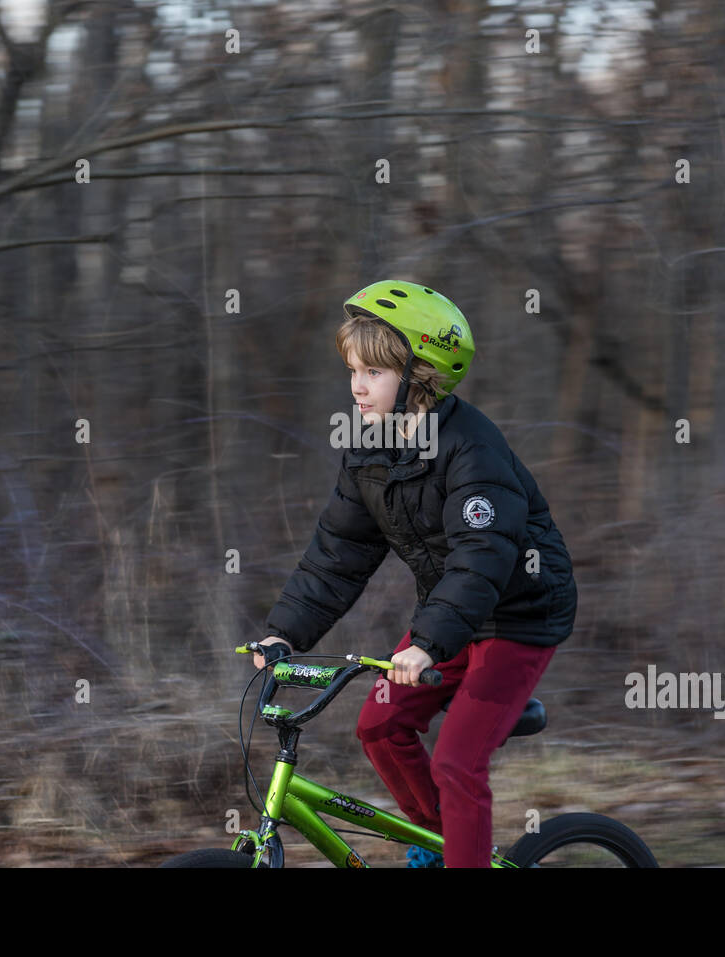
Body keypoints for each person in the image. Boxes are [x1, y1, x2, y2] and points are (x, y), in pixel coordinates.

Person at [255, 279, 577, 868]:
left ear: (421, 375)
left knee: (456, 761)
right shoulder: (367, 447)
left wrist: (428, 644)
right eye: (352, 369)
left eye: (373, 372)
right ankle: (445, 844)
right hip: (447, 616)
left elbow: (482, 559)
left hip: (517, 617)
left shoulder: (473, 451)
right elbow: (338, 555)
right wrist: (285, 632)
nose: (356, 385)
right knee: (379, 728)